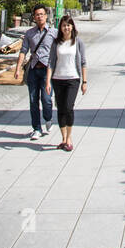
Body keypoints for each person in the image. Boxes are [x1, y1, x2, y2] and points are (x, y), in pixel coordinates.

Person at [14, 4, 57, 138]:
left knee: (46, 99)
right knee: (33, 100)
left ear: (46, 16)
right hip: (33, 68)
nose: (39, 17)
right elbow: (23, 51)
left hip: (47, 70)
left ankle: (48, 117)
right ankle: (36, 128)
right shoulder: (29, 33)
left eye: (42, 14)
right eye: (37, 14)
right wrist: (17, 68)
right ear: (34, 17)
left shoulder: (53, 32)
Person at [45, 13, 86, 151]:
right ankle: (63, 138)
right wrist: (48, 81)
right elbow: (51, 62)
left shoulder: (78, 42)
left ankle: (69, 137)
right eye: (64, 25)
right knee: (61, 108)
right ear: (60, 28)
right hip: (57, 79)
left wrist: (84, 81)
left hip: (73, 78)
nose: (66, 28)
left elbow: (83, 62)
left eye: (68, 25)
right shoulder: (56, 43)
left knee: (69, 107)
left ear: (72, 27)